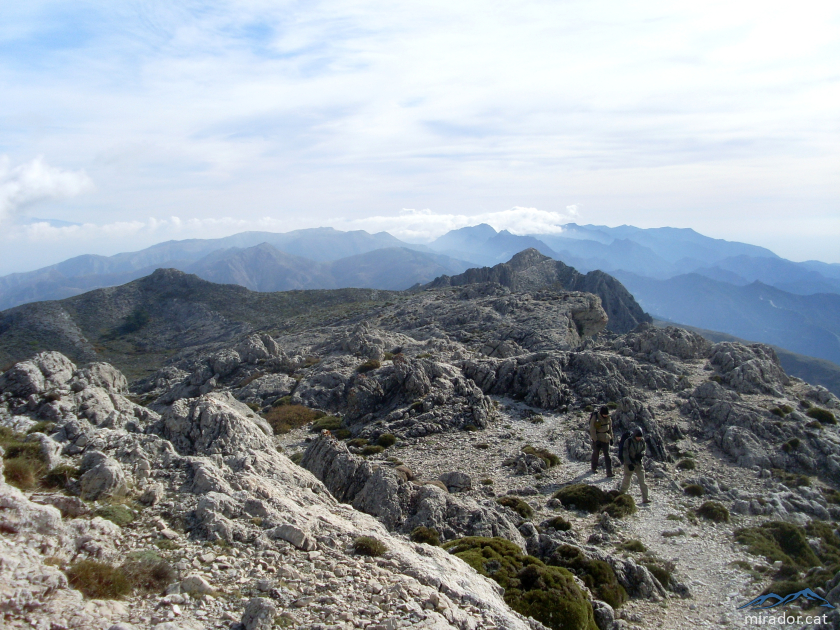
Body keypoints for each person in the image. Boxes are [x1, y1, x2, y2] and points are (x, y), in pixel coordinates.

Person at [620, 426, 650, 503]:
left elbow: (644, 449)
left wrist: (641, 454)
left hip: (639, 464)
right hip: (630, 463)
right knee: (627, 479)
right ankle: (621, 494)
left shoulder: (642, 441)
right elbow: (625, 453)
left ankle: (645, 498)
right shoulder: (628, 441)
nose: (639, 438)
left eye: (640, 437)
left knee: (642, 481)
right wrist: (629, 464)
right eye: (637, 437)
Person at [589, 405, 614, 477]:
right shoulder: (595, 417)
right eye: (604, 414)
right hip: (598, 439)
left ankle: (609, 472)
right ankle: (594, 468)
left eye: (606, 414)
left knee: (607, 455)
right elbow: (592, 429)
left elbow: (610, 429)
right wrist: (596, 440)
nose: (605, 416)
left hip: (606, 439)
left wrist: (611, 438)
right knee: (596, 453)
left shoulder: (609, 418)